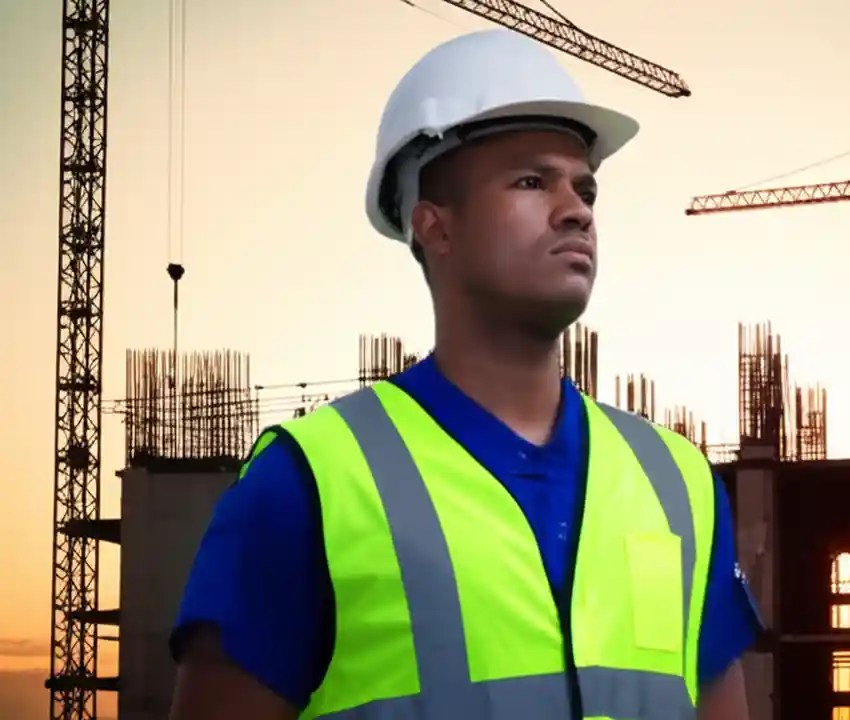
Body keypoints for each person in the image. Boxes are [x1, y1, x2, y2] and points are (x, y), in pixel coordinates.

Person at [167, 28, 762, 720]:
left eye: (586, 189)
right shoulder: (310, 485)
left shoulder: (679, 483)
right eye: (532, 181)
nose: (576, 211)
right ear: (434, 228)